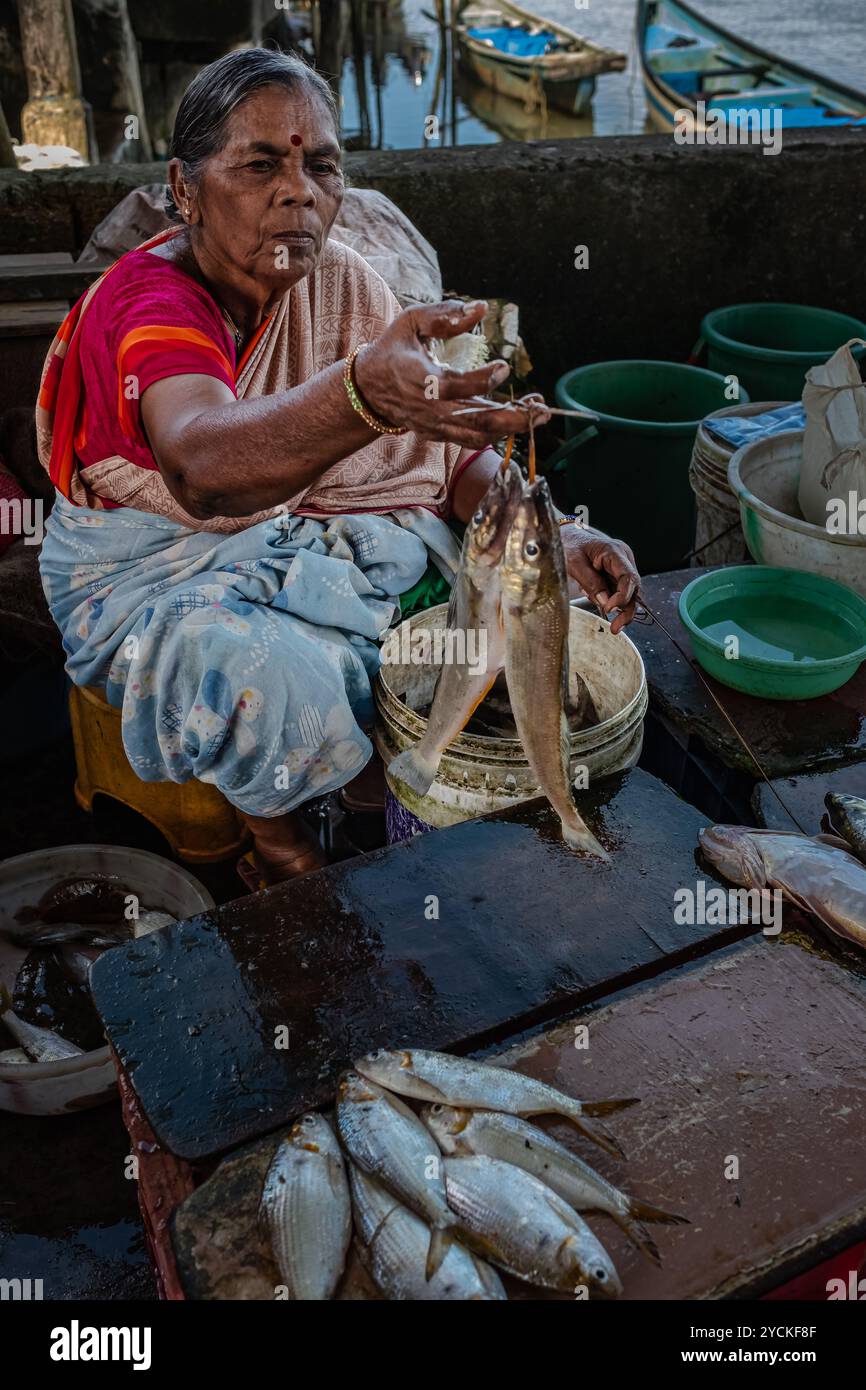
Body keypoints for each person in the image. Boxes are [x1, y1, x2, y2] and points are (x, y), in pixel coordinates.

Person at [37, 48, 639, 883]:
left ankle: (370, 807)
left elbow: (445, 464)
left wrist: (563, 537)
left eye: (321, 165)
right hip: (155, 569)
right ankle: (281, 847)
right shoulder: (153, 303)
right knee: (271, 679)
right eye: (259, 165)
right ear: (184, 189)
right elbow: (202, 467)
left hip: (316, 543)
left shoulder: (346, 287)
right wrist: (360, 394)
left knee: (475, 625)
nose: (299, 191)